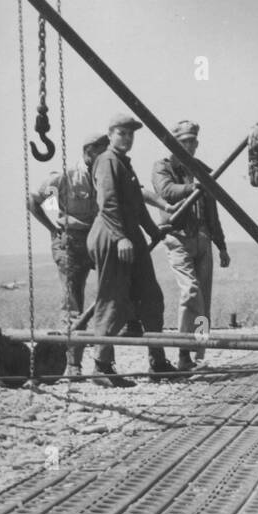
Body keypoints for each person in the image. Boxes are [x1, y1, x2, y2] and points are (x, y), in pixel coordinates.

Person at [86, 113, 176, 387]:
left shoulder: (124, 164)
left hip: (129, 235)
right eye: (122, 133)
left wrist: (153, 231)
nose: (127, 138)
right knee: (113, 299)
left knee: (151, 298)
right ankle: (101, 367)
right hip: (114, 236)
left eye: (131, 134)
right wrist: (120, 238)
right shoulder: (107, 161)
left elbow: (136, 205)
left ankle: (157, 362)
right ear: (110, 134)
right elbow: (108, 203)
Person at [26, 132, 110, 377]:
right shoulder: (66, 176)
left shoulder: (105, 175)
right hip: (71, 242)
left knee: (110, 295)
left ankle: (102, 360)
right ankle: (73, 364)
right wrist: (54, 227)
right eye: (101, 151)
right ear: (88, 151)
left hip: (97, 239)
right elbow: (35, 200)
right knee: (72, 304)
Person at [152, 120, 230, 372]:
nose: (189, 146)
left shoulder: (202, 170)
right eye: (184, 142)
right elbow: (165, 191)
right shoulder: (163, 167)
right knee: (191, 293)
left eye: (192, 141)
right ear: (175, 143)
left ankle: (199, 353)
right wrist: (191, 187)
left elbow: (212, 212)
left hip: (203, 240)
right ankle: (184, 351)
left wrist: (221, 245)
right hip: (178, 238)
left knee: (203, 301)